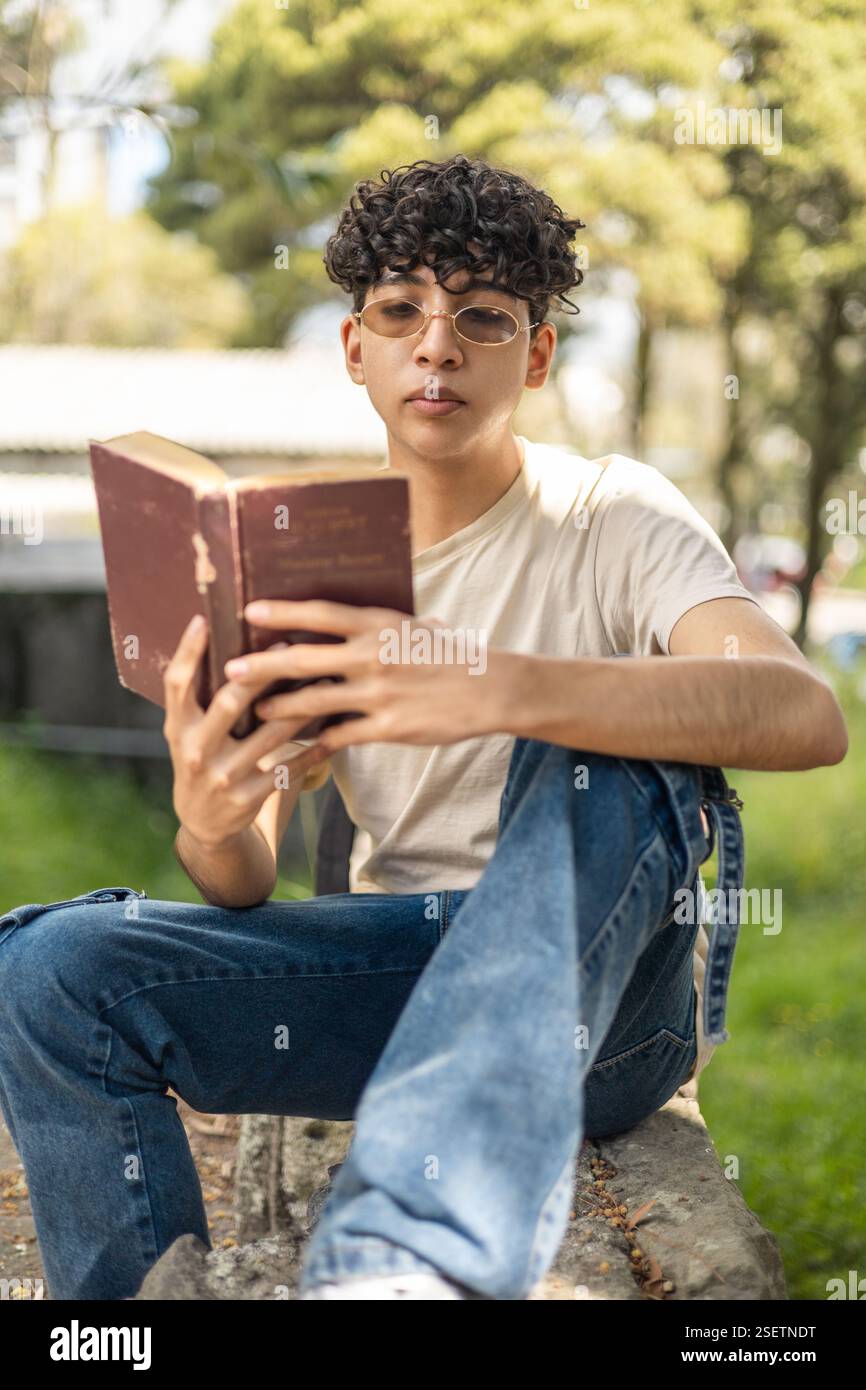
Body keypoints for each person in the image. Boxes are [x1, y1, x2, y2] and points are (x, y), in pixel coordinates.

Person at [0, 154, 847, 1302]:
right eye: (400, 310)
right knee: (49, 966)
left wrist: (491, 685)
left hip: (599, 1018)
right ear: (357, 347)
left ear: (534, 353)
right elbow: (241, 881)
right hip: (397, 973)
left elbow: (800, 712)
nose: (435, 343)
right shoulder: (311, 560)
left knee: (595, 746)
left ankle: (403, 1262)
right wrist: (206, 817)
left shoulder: (614, 510)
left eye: (481, 316)